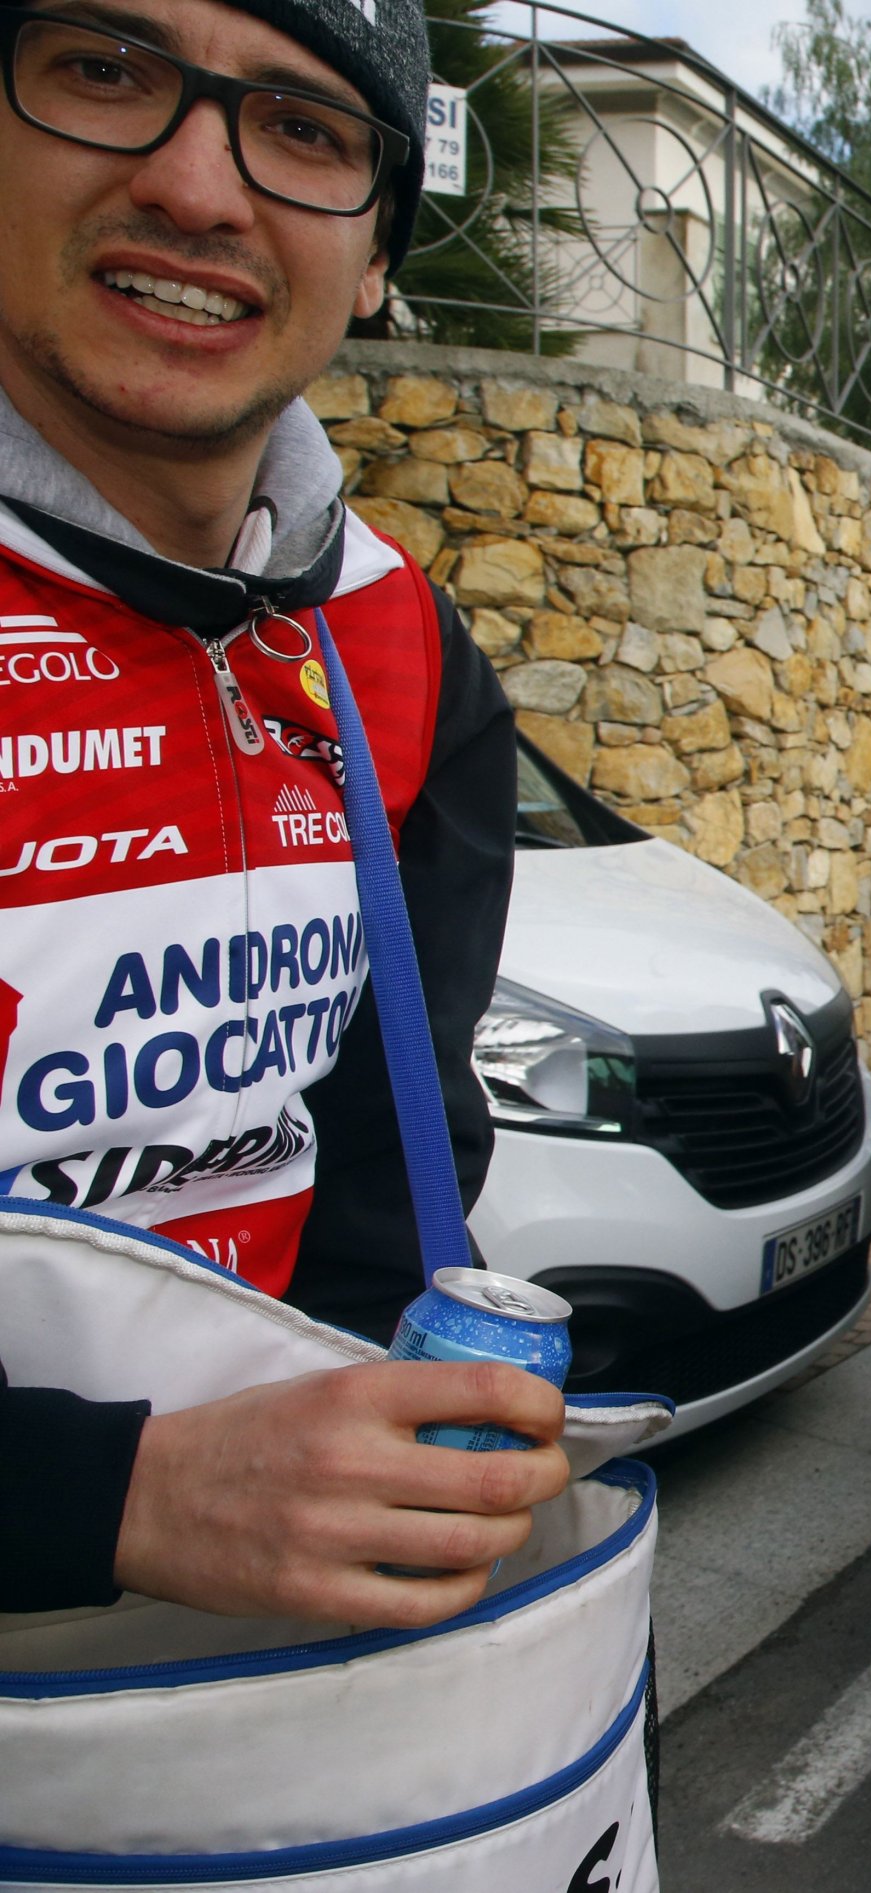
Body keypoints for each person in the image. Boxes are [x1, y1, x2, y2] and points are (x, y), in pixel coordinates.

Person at [0, 0, 562, 1625]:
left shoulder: (401, 640)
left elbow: (390, 1166)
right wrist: (119, 1494)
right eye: (105, 70)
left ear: (375, 255)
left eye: (304, 128)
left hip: (240, 1687)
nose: (196, 186)